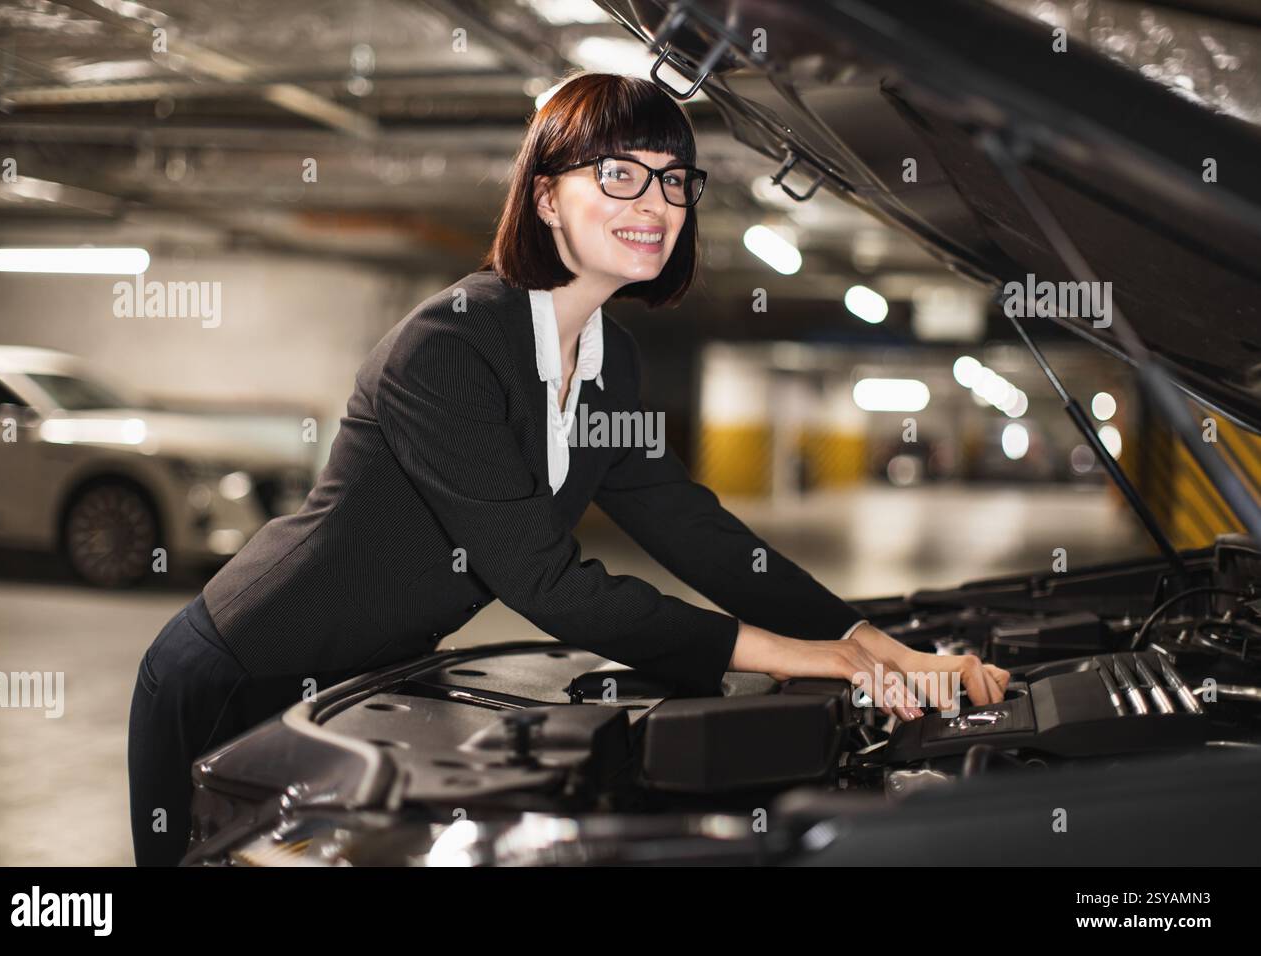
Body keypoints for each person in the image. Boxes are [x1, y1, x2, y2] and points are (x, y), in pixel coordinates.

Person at [127, 71, 1008, 866]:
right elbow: (545, 582)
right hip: (239, 672)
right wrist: (810, 660)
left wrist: (869, 642)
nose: (655, 201)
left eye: (673, 179)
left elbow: (687, 524)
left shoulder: (610, 362)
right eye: (617, 174)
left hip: (369, 690)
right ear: (546, 199)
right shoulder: (449, 348)